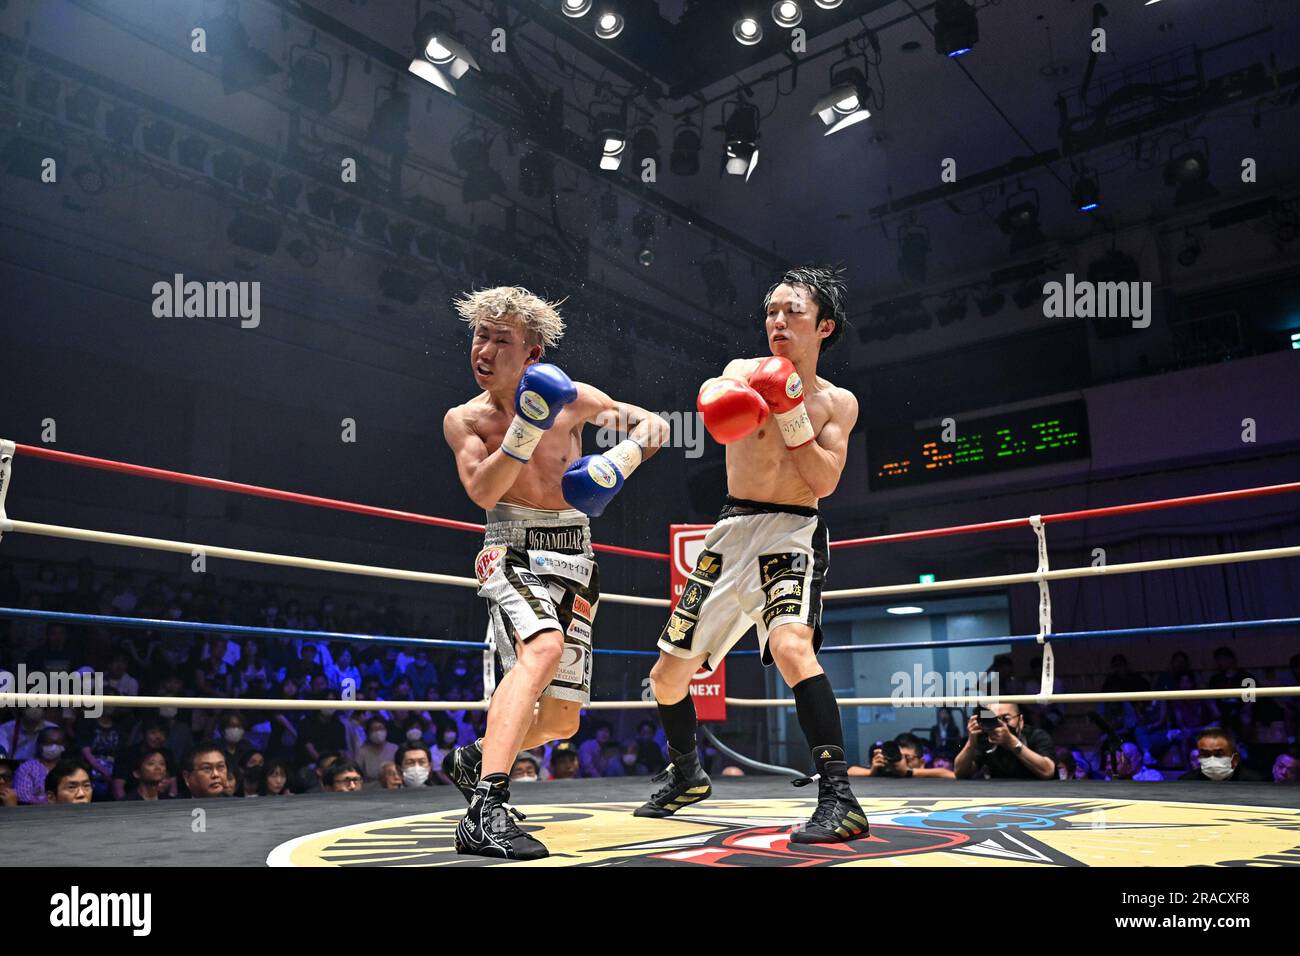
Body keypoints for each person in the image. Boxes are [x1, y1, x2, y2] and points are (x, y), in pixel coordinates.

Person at [638, 267, 867, 845]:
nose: (777, 320)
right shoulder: (742, 371)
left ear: (825, 326)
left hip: (792, 532)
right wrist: (738, 394)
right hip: (730, 531)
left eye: (792, 311)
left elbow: (824, 479)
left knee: (791, 645)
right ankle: (687, 773)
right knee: (667, 677)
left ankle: (839, 798)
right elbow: (717, 415)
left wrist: (790, 409)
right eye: (771, 311)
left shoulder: (839, 403)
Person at [441, 286, 668, 860]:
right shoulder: (464, 419)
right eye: (480, 336)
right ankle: (485, 809)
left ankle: (473, 759)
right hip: (509, 545)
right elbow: (482, 490)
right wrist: (526, 427)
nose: (485, 350)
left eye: (502, 340)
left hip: (576, 551)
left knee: (562, 722)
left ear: (532, 354)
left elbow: (656, 426)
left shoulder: (576, 399)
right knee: (540, 649)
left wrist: (619, 461)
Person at [954, 702, 1056, 779]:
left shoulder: (1036, 736)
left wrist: (1012, 742)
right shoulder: (987, 739)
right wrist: (971, 742)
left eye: (1006, 718)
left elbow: (1048, 771)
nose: (1000, 724)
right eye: (994, 718)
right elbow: (960, 773)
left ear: (1020, 721)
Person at [854, 733, 955, 778]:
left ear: (922, 762)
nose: (901, 761)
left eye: (907, 758)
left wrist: (908, 772)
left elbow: (948, 774)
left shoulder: (928, 775)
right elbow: (850, 771)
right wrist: (872, 772)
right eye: (899, 756)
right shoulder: (889, 772)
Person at [1177, 728, 1263, 782]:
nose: (1211, 760)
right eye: (1205, 754)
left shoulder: (1254, 782)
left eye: (1218, 755)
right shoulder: (1187, 782)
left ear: (1235, 759)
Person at [13, 727, 69, 804]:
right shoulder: (27, 768)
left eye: (58, 743)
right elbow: (23, 797)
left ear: (64, 746)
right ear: (39, 744)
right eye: (49, 743)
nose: (53, 747)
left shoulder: (69, 767)